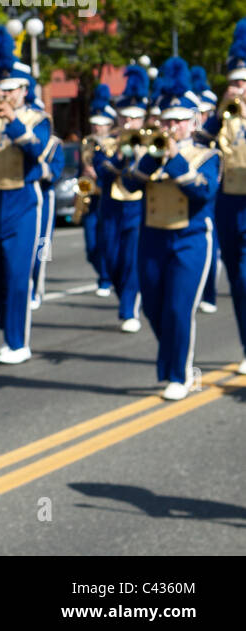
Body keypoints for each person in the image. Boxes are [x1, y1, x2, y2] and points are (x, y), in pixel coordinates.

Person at [121, 58, 219, 400]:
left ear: (193, 123)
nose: (172, 126)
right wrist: (150, 158)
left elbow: (203, 191)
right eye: (168, 120)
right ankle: (174, 360)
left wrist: (175, 159)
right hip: (152, 237)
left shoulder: (207, 155)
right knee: (153, 307)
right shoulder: (150, 154)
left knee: (179, 308)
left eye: (179, 121)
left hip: (190, 238)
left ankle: (180, 373)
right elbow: (129, 186)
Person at [0, 26, 52, 365]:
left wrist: (13, 121)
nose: (5, 96)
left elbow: (37, 150)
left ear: (23, 90)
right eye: (1, 89)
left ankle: (17, 341)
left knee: (18, 273)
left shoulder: (38, 118)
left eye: (11, 89)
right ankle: (9, 329)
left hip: (22, 201)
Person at [204, 20, 246, 375]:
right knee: (237, 280)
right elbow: (200, 146)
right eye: (234, 82)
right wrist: (222, 110)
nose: (239, 88)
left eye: (244, 82)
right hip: (229, 202)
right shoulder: (223, 116)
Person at [94, 67, 148, 333]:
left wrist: (139, 155)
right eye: (125, 117)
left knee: (131, 260)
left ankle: (129, 310)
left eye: (135, 118)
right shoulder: (106, 143)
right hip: (112, 208)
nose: (129, 123)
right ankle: (123, 297)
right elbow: (101, 171)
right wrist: (120, 156)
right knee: (112, 261)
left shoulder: (151, 143)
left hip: (138, 208)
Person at [29, 81, 64, 311]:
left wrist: (44, 171)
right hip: (24, 195)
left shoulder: (53, 145)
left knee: (43, 244)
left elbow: (56, 171)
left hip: (45, 196)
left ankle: (37, 287)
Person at [80, 84, 116, 296]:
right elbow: (81, 174)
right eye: (94, 124)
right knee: (91, 246)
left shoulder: (114, 144)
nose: (97, 128)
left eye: (101, 124)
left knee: (106, 242)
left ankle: (105, 278)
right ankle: (105, 273)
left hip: (108, 199)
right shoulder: (87, 144)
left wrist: (98, 176)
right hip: (91, 200)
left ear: (110, 125)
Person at [190, 66, 220, 314]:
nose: (201, 116)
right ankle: (205, 291)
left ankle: (209, 291)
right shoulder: (197, 137)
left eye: (204, 112)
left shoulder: (223, 127)